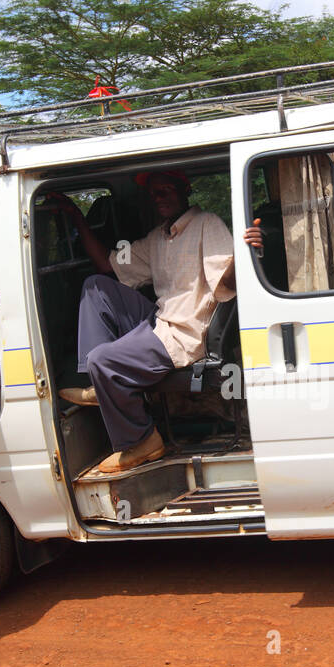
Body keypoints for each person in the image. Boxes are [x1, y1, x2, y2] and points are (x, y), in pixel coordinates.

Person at [55, 170, 240, 473]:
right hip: (158, 320)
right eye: (155, 192)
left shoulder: (207, 223)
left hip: (184, 332)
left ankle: (142, 440)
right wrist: (77, 217)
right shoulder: (157, 238)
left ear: (185, 189)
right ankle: (99, 382)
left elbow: (227, 280)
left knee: (103, 360)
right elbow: (108, 263)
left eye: (167, 189)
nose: (161, 196)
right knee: (96, 286)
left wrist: (247, 256)